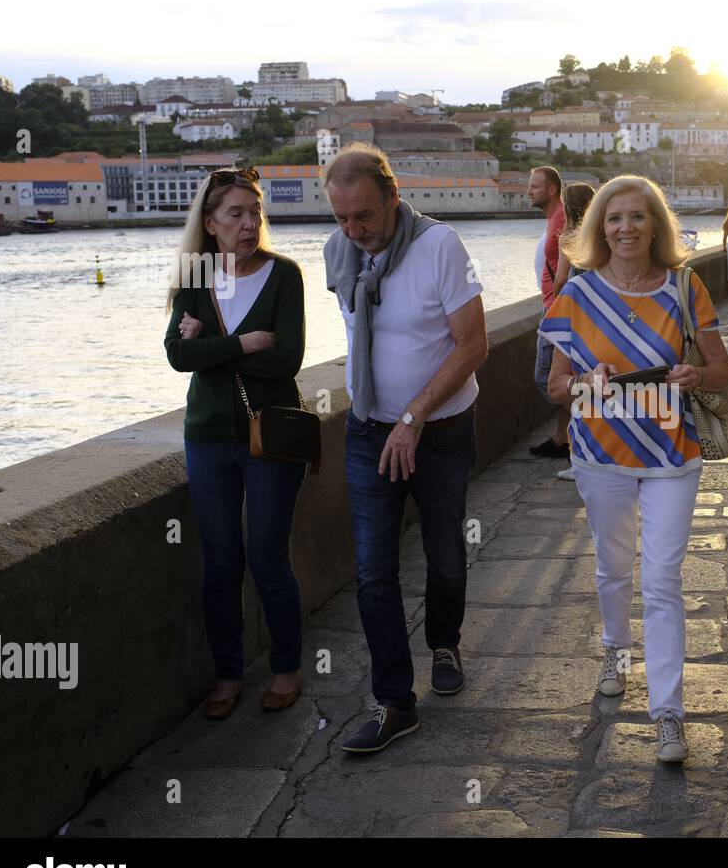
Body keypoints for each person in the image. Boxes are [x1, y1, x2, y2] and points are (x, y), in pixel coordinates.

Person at [539, 175, 728, 763]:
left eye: (637, 218)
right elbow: (554, 387)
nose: (626, 228)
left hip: (673, 455)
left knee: (662, 579)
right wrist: (583, 382)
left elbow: (723, 370)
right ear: (599, 227)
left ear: (656, 226)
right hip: (600, 455)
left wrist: (696, 375)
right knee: (613, 568)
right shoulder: (575, 295)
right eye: (614, 218)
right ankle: (614, 647)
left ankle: (668, 711)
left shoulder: (684, 286)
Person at [321, 143, 489, 754]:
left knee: (445, 554)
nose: (353, 230)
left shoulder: (439, 247)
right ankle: (395, 702)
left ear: (392, 197)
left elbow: (472, 345)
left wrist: (415, 415)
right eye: (340, 217)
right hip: (370, 432)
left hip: (439, 430)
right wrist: (386, 415)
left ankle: (444, 641)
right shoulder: (337, 251)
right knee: (372, 571)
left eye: (363, 215)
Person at [163, 166, 308, 720]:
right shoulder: (195, 275)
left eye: (256, 213)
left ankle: (288, 667)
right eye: (236, 214)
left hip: (269, 436)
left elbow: (286, 360)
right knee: (221, 564)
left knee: (269, 559)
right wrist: (243, 341)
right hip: (206, 439)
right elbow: (177, 356)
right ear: (211, 222)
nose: (250, 225)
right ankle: (227, 676)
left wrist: (213, 346)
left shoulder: (283, 275)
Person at [549, 180, 596, 481]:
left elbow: (559, 283)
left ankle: (581, 458)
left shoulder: (569, 236)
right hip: (600, 319)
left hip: (575, 320)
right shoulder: (599, 236)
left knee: (563, 384)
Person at [528, 166, 569, 462]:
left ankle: (593, 423)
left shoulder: (563, 219)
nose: (528, 191)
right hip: (553, 306)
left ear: (551, 189)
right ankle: (562, 439)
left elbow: (566, 271)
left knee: (546, 377)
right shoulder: (554, 218)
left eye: (534, 186)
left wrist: (555, 307)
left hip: (557, 311)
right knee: (562, 375)